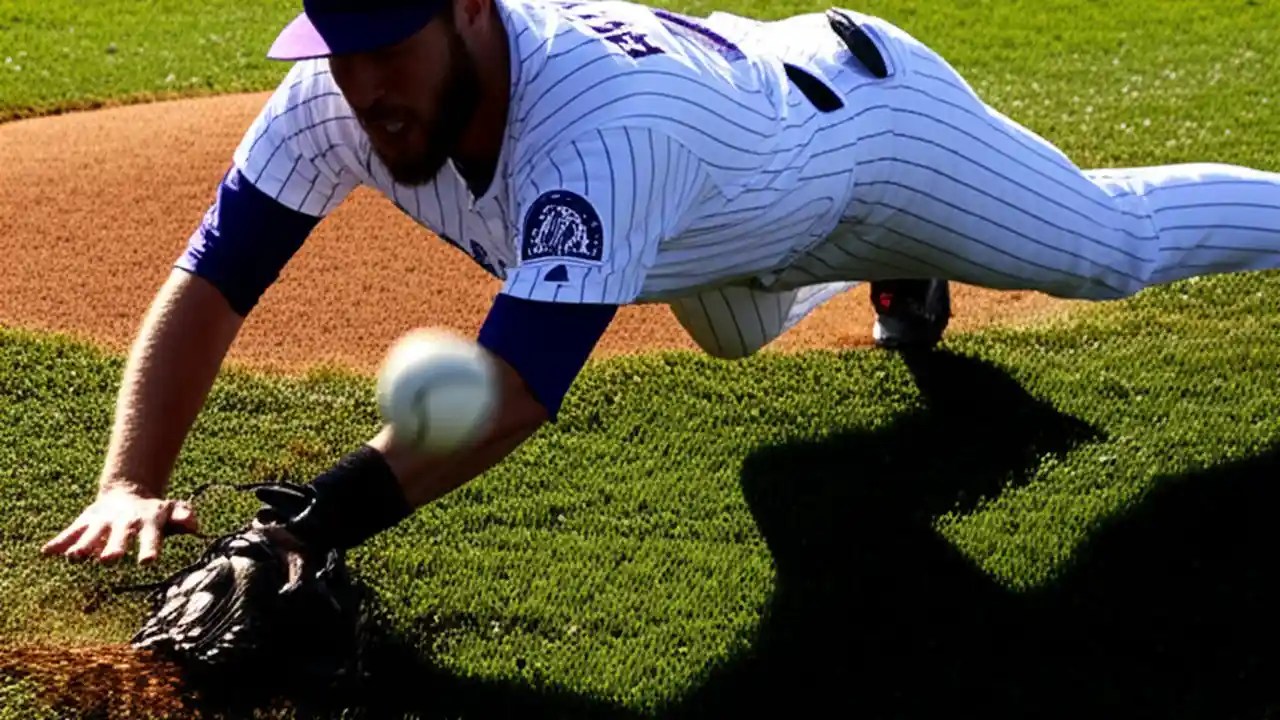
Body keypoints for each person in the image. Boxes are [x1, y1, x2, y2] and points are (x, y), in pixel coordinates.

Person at [42, 0, 1280, 565]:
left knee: (1105, 250)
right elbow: (217, 275)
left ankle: (919, 245)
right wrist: (132, 479)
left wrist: (311, 522)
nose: (364, 78)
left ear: (470, 8)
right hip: (735, 208)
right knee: (736, 337)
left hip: (872, 139)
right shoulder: (333, 97)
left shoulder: (599, 131)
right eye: (340, 41)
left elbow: (513, 384)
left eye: (389, 37)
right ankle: (893, 275)